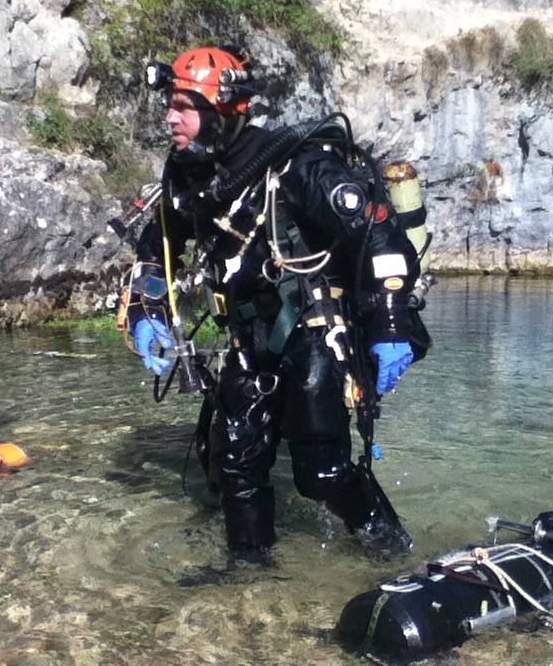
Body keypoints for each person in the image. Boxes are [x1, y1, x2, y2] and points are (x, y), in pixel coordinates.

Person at [124, 45, 430, 563]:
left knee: (322, 475)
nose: (170, 118)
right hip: (247, 336)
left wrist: (392, 326)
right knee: (235, 464)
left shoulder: (296, 167)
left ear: (224, 109)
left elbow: (380, 239)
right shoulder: (188, 178)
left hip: (314, 333)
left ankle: (394, 553)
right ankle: (249, 568)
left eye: (184, 105)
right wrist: (144, 315)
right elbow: (157, 250)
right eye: (169, 105)